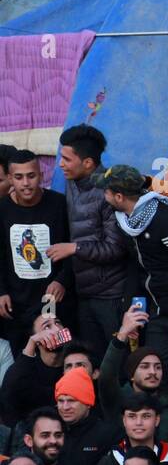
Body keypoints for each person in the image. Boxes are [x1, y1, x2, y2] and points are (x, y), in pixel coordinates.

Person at [100, 165, 168, 394]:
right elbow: (136, 268)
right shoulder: (127, 220)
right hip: (156, 314)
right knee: (158, 376)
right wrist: (131, 312)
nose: (103, 196)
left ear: (119, 196)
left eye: (106, 191)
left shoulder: (167, 219)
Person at [54, 124, 129, 363]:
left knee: (118, 364)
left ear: (87, 163)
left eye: (66, 159)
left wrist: (74, 248)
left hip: (111, 297)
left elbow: (116, 248)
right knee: (91, 363)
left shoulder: (109, 193)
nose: (60, 164)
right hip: (83, 294)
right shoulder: (72, 183)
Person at [0, 149, 73, 348]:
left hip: (53, 302)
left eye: (31, 176)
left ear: (41, 175)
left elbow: (73, 246)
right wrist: (1, 292)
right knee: (22, 357)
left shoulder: (59, 204)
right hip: (15, 303)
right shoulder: (2, 208)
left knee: (57, 352)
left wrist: (62, 281)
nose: (25, 183)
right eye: (18, 177)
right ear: (9, 178)